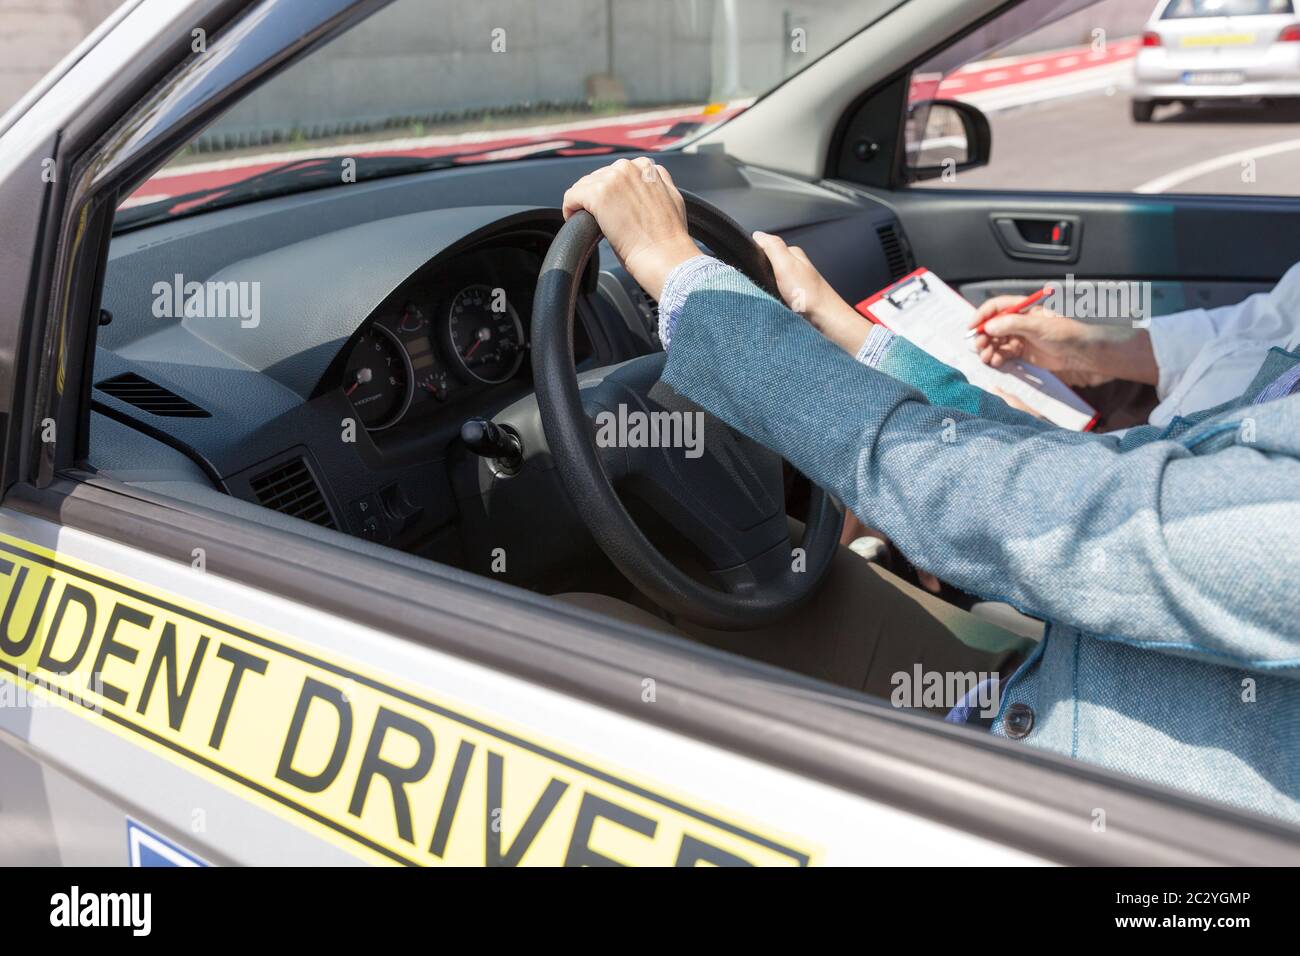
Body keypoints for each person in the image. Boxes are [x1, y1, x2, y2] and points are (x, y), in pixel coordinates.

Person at [561, 157, 1300, 825]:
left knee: (574, 636)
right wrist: (852, 338)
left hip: (1087, 797)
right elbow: (1114, 474)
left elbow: (1074, 520)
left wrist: (686, 278)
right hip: (1082, 687)